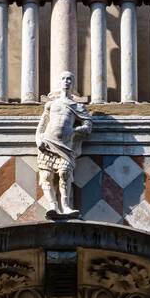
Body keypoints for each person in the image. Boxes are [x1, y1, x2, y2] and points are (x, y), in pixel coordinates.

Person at [35, 71, 91, 219]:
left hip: (65, 145)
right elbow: (41, 126)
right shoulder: (50, 104)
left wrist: (75, 131)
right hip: (48, 142)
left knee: (65, 173)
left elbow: (88, 125)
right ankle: (52, 206)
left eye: (69, 79)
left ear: (72, 83)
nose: (66, 82)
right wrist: (38, 140)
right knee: (46, 175)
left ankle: (65, 206)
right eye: (63, 79)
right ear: (59, 83)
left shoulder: (78, 106)